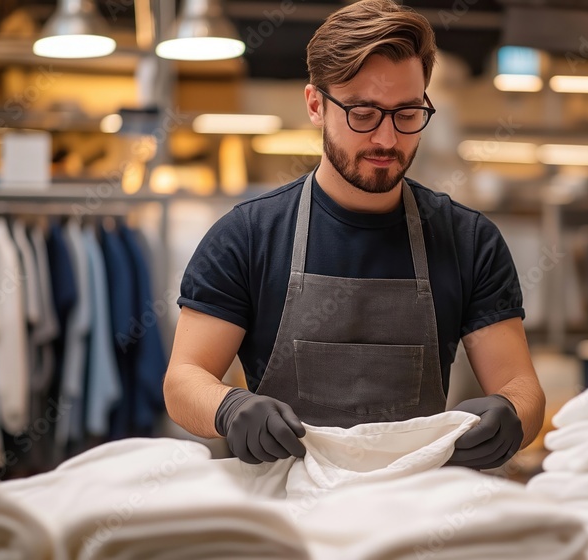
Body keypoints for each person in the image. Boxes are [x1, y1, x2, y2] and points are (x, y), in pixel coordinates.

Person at [164, 0, 545, 470]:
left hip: (411, 508)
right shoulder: (247, 236)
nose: (387, 139)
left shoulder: (468, 240)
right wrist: (230, 407)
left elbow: (522, 387)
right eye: (364, 113)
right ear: (315, 105)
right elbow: (183, 380)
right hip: (285, 514)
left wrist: (510, 414)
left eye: (407, 113)